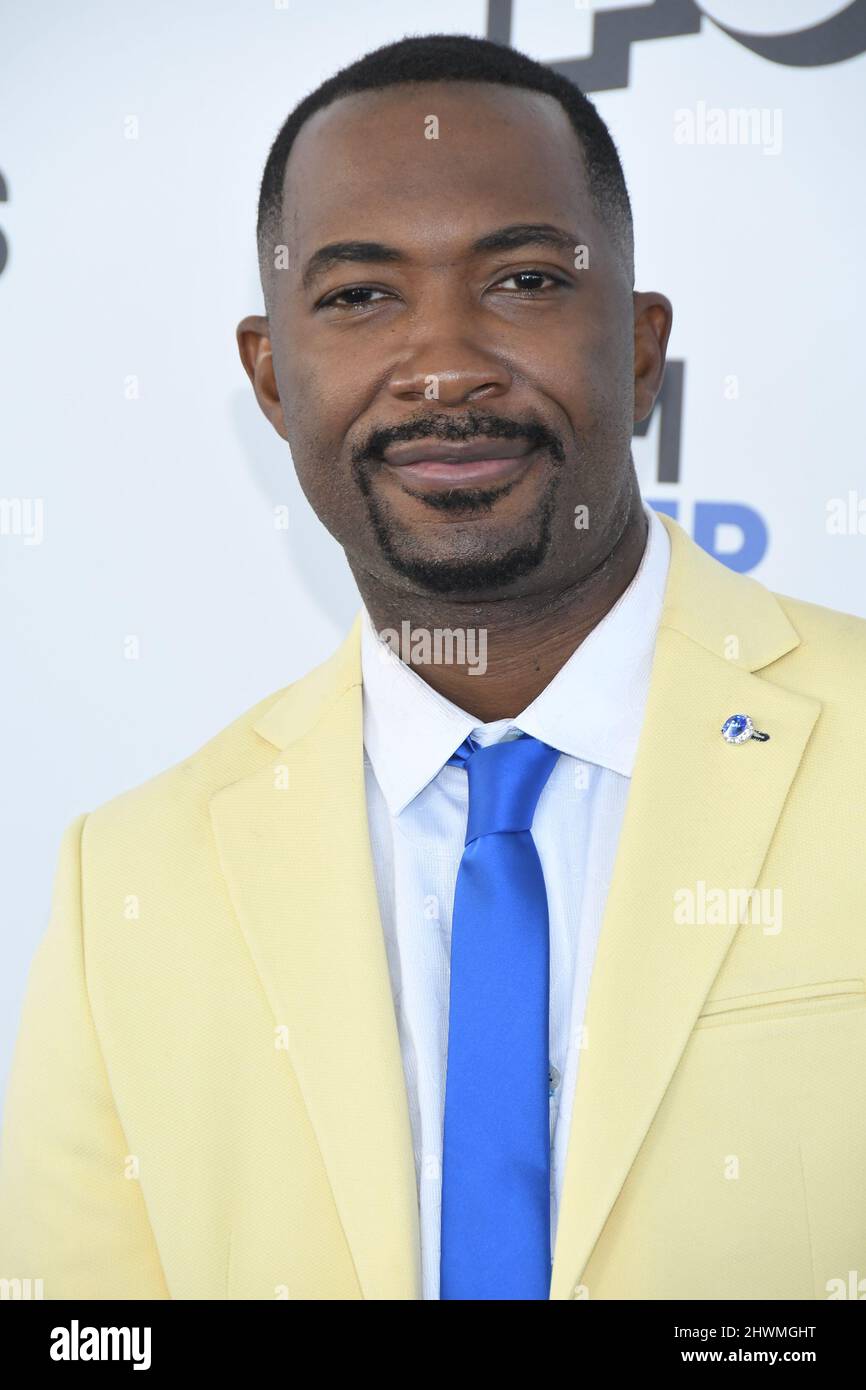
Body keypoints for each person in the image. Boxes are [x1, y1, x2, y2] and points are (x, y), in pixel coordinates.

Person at [1, 32, 864, 1303]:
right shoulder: (128, 880)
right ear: (269, 379)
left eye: (520, 280)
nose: (446, 364)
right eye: (358, 296)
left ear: (638, 349)